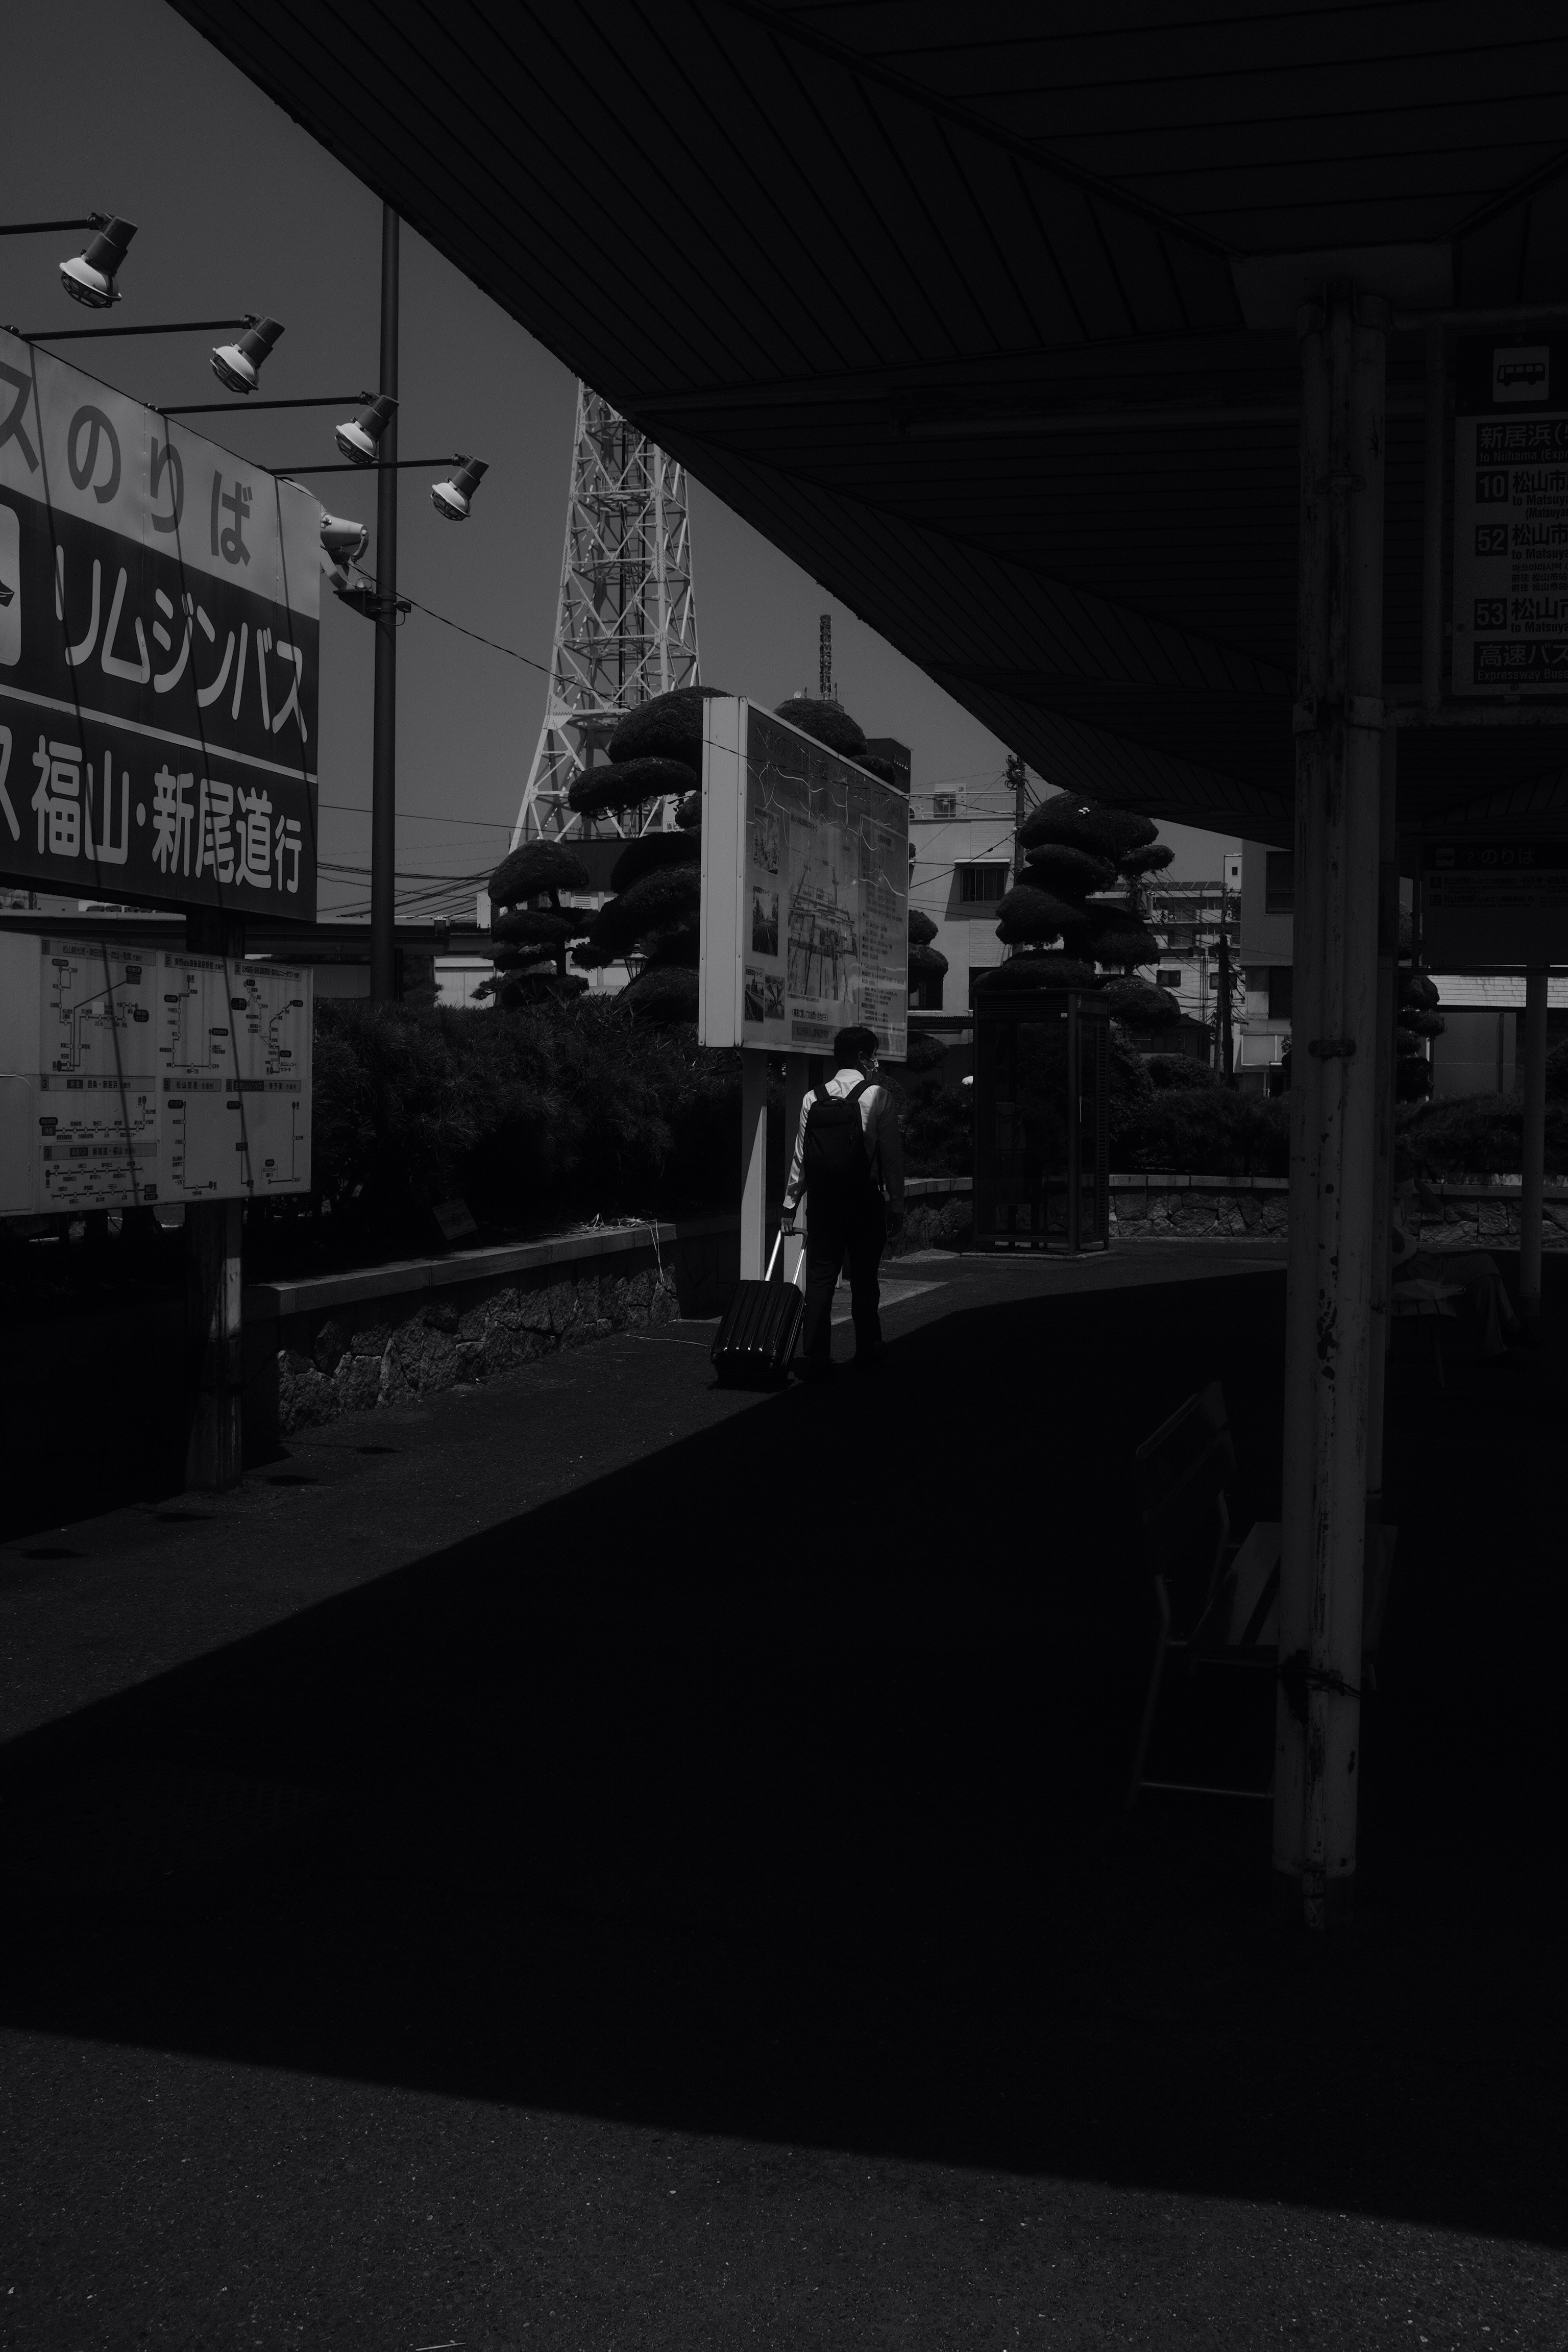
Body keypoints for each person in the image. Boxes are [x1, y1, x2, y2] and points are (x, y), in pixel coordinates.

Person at [781, 1024, 904, 1379]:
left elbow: (801, 1160)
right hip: (863, 1200)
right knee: (865, 1278)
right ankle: (867, 1348)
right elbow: (891, 1159)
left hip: (823, 1203)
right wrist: (896, 1204)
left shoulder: (813, 1097)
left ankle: (817, 1354)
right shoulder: (878, 1096)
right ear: (864, 1057)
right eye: (874, 1054)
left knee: (820, 1277)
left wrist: (790, 1204)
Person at [1390, 1185, 1521, 1361]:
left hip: (1424, 1263)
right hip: (1412, 1271)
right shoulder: (1380, 1205)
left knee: (1485, 1283)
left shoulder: (1401, 1203)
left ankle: (1495, 1350)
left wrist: (1415, 1181)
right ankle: (1513, 1325)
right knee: (1485, 1261)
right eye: (1404, 1172)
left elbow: (1435, 1206)